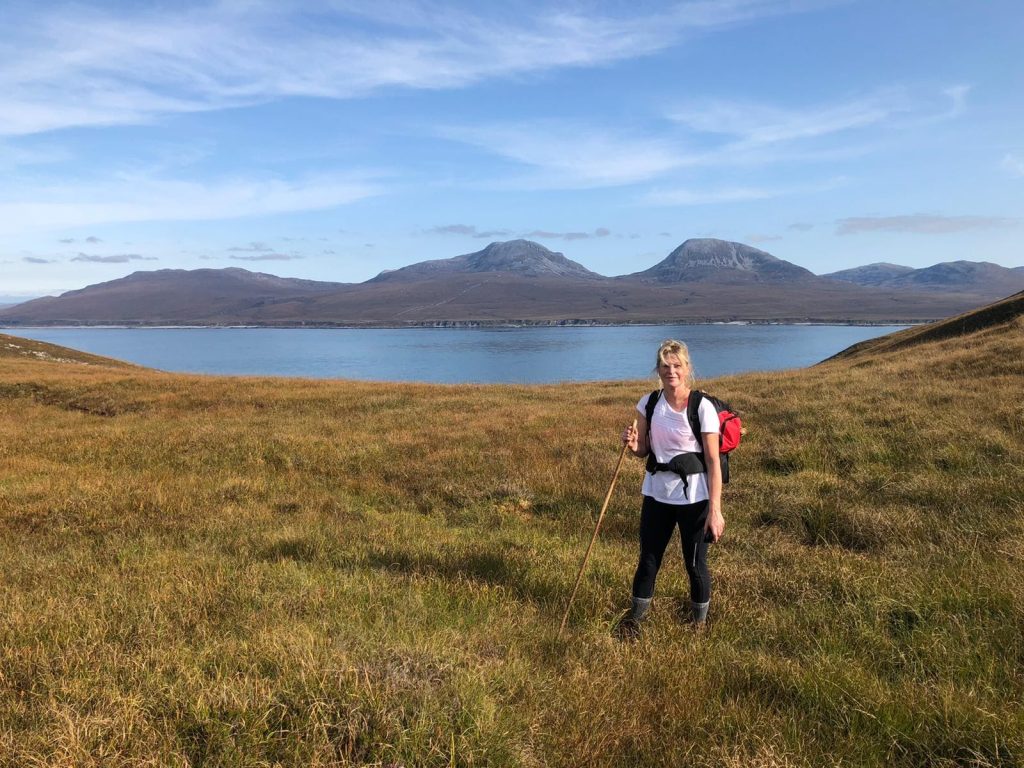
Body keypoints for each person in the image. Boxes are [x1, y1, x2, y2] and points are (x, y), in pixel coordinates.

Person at [620, 339, 725, 632]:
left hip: (694, 499)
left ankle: (699, 625)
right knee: (649, 560)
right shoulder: (649, 403)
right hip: (656, 494)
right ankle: (635, 622)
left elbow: (713, 461)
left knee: (694, 564)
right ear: (658, 369)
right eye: (665, 366)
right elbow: (643, 450)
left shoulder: (701, 407)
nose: (671, 371)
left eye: (677, 365)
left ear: (687, 368)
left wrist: (715, 511)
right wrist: (631, 444)